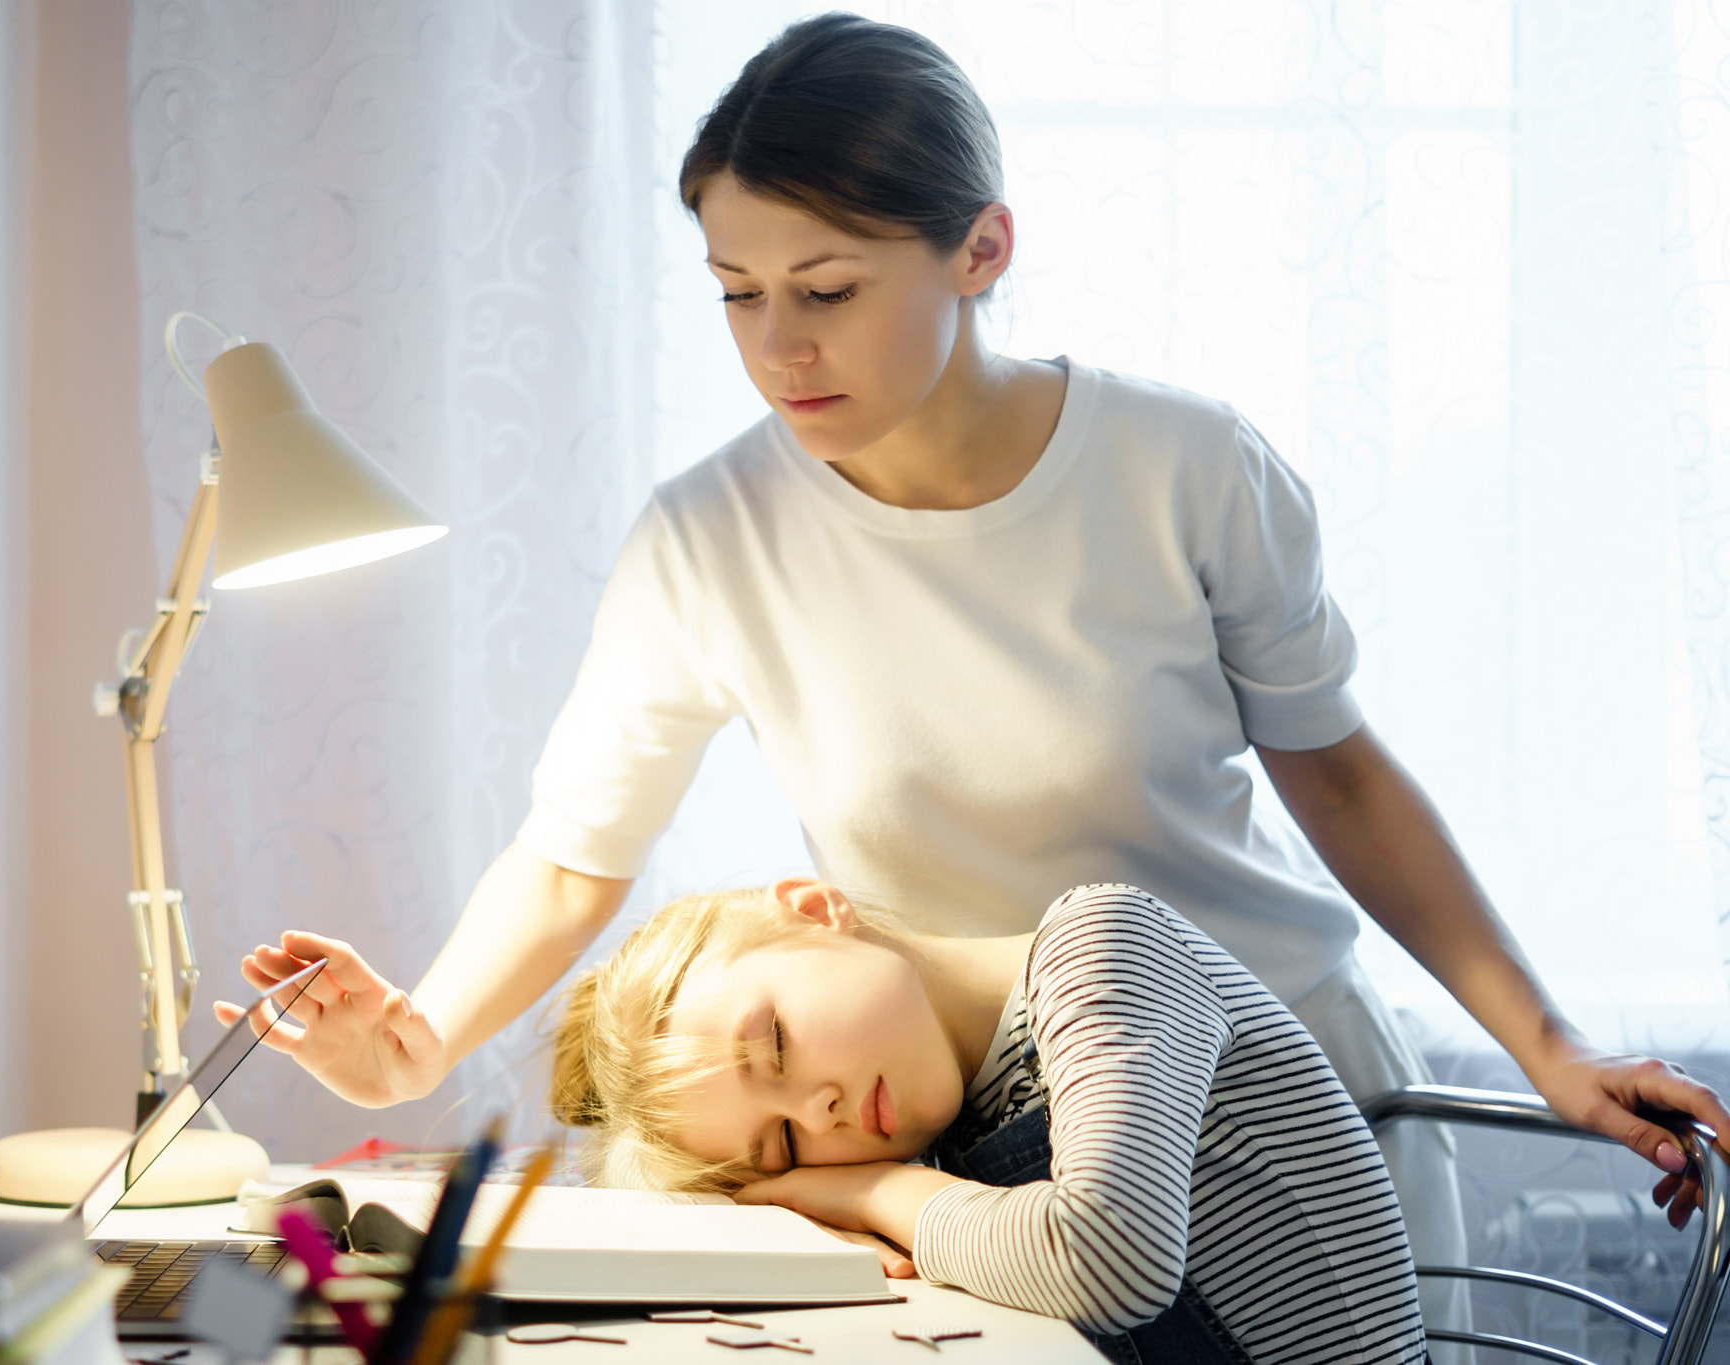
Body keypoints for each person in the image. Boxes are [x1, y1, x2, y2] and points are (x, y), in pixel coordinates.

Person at [219, 11, 1724, 1257]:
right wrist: (413, 1039)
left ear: (981, 249)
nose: (779, 347)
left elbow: (1339, 778)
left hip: (1295, 1114)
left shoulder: (1184, 468)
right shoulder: (710, 536)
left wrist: (1551, 1045)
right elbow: (570, 858)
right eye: (736, 295)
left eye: (826, 289)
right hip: (1002, 1164)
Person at [548, 877, 1430, 1365]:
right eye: (783, 1146)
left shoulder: (1103, 948)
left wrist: (872, 1187)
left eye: (774, 1046)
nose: (819, 1114)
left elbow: (1107, 1259)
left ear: (816, 910)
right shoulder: (946, 1120)